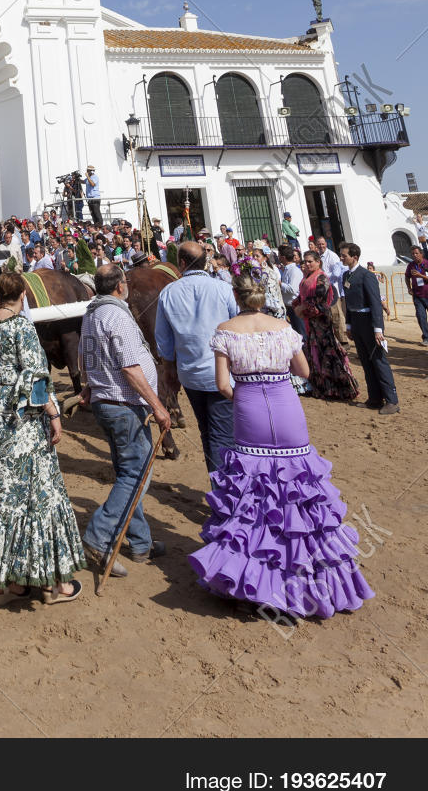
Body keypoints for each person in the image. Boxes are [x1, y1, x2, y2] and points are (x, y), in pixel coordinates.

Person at [190, 274, 374, 620]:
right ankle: (313, 578)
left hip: (249, 409)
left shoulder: (225, 330)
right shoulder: (283, 328)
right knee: (300, 489)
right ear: (262, 297)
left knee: (254, 492)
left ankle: (255, 580)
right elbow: (303, 371)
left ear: (236, 296)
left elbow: (220, 384)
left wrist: (246, 395)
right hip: (287, 406)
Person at [0, 267, 85, 607]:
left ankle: (2, 585)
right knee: (37, 492)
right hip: (19, 421)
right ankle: (51, 585)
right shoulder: (22, 327)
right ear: (23, 295)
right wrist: (55, 416)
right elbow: (38, 377)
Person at [79, 264, 170, 577]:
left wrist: (91, 384)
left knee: (129, 472)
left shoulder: (92, 312)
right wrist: (157, 406)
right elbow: (130, 368)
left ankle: (140, 541)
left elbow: (88, 354)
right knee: (137, 475)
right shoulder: (116, 315)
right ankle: (98, 535)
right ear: (120, 286)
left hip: (107, 401)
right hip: (123, 404)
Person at [155, 241, 238, 473]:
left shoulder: (168, 292)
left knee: (208, 431)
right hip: (223, 374)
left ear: (182, 263)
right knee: (222, 434)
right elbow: (238, 327)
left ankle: (221, 489)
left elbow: (163, 340)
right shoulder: (222, 289)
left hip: (190, 374)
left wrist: (170, 372)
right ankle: (226, 493)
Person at [339, 243, 399, 415]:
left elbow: (374, 303)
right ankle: (374, 398)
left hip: (369, 322)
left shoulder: (366, 275)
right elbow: (349, 303)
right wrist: (349, 325)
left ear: (354, 257)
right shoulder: (346, 276)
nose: (342, 258)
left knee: (378, 360)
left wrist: (378, 329)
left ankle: (391, 400)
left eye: (344, 255)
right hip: (356, 322)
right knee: (366, 361)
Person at [292, 250, 358, 403]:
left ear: (318, 262)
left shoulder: (321, 277)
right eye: (305, 261)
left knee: (327, 355)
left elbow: (319, 300)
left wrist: (302, 308)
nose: (307, 264)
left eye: (310, 261)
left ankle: (337, 389)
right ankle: (321, 387)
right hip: (311, 321)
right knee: (315, 354)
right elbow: (302, 296)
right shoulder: (307, 277)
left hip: (321, 321)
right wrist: (297, 304)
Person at [403, 243, 428, 344]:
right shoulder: (411, 265)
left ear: (421, 254)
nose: (414, 255)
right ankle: (426, 337)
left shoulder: (427, 264)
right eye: (412, 254)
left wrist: (420, 275)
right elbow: (406, 276)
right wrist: (409, 288)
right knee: (421, 316)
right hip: (417, 296)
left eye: (416, 253)